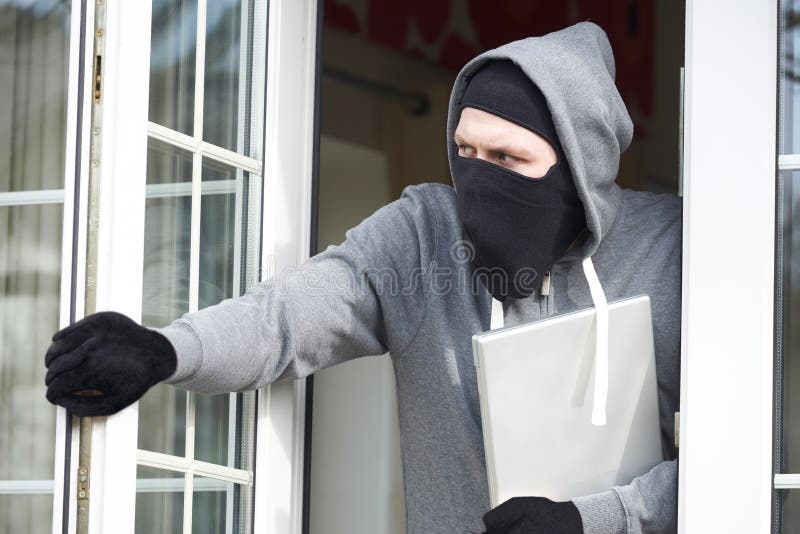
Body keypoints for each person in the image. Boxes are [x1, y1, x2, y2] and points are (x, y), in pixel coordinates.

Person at [44, 22, 681, 534]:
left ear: (577, 159)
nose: (479, 179)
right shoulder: (425, 234)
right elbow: (289, 316)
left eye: (508, 158)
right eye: (466, 151)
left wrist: (592, 519)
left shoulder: (673, 249)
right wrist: (166, 350)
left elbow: (736, 453)